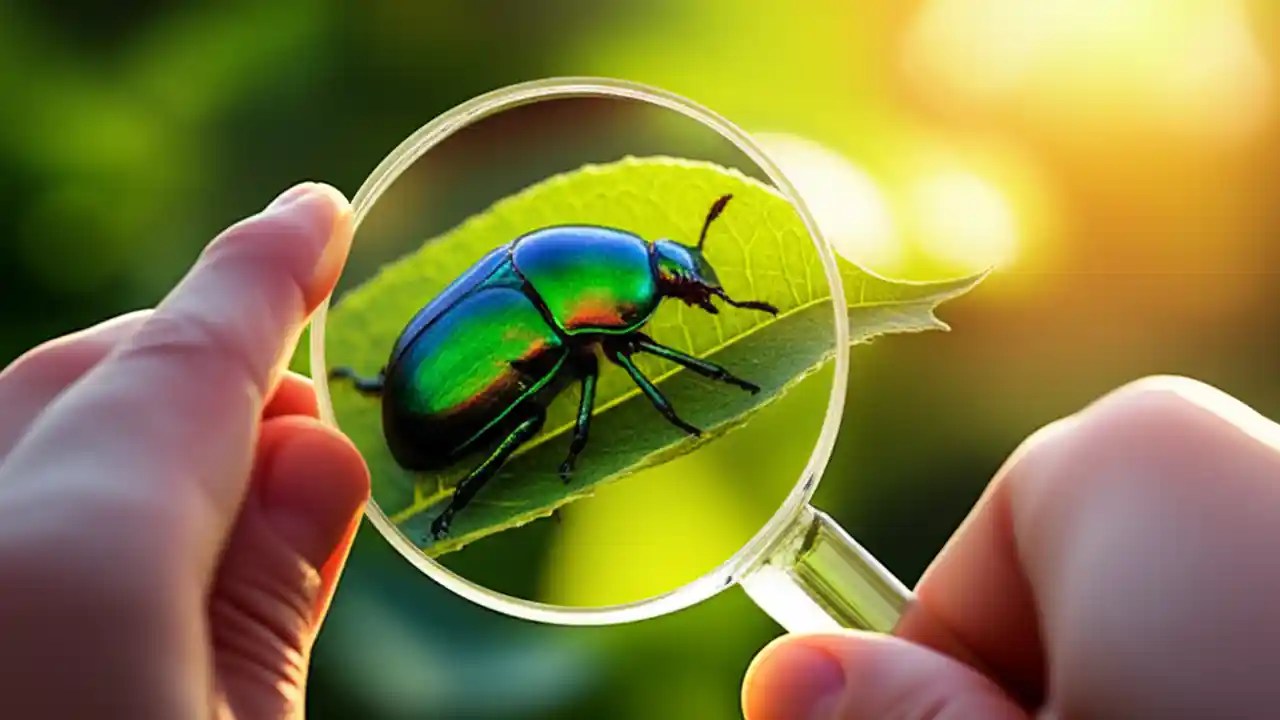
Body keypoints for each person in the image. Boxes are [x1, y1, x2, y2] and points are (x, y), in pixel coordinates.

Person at [0, 184, 1275, 719]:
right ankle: (451, 487)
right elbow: (624, 358)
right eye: (673, 275)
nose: (678, 287)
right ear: (632, 280)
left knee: (567, 381)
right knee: (544, 412)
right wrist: (699, 377)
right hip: (431, 411)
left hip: (421, 374)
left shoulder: (572, 284)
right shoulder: (596, 320)